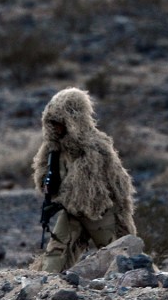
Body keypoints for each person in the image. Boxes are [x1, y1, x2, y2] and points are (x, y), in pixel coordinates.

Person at [32, 87, 136, 273]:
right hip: (72, 212)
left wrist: (61, 200)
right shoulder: (53, 149)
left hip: (99, 210)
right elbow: (44, 175)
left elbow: (94, 186)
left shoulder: (94, 146)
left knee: (118, 252)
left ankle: (145, 281)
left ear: (72, 120)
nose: (56, 127)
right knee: (57, 248)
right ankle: (46, 284)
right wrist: (49, 188)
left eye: (59, 122)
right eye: (52, 123)